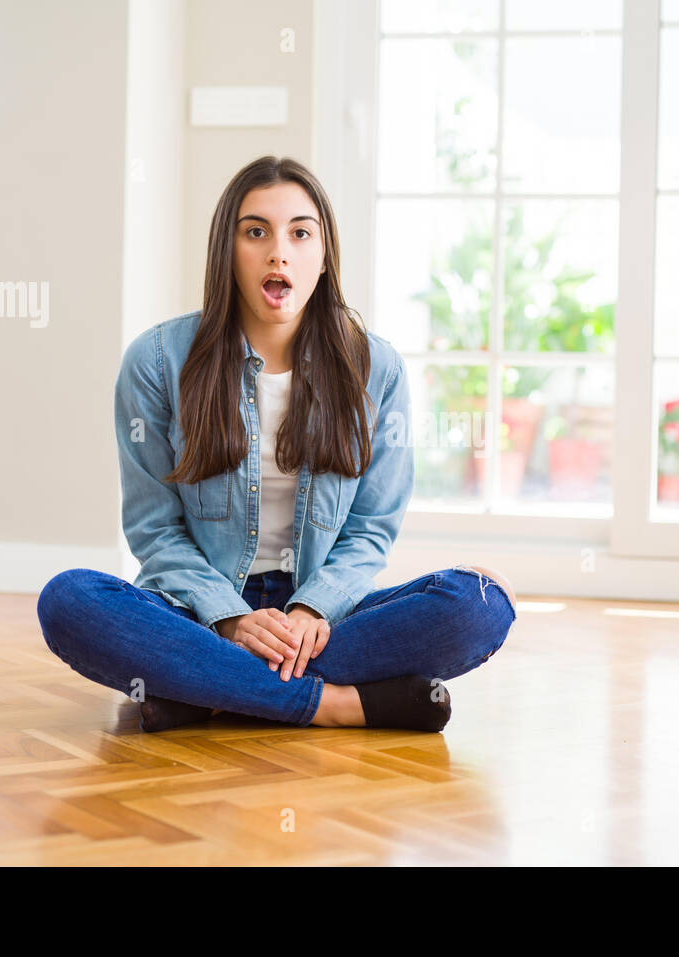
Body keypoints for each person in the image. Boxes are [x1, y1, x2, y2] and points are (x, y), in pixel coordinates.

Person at [37, 155, 517, 733]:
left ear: (323, 254)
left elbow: (370, 529)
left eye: (300, 232)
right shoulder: (157, 360)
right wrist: (231, 619)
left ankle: (202, 691)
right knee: (69, 599)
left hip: (327, 614)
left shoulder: (377, 367)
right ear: (228, 250)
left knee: (480, 601)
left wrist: (312, 606)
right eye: (255, 231)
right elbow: (155, 532)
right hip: (198, 613)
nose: (278, 252)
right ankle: (336, 705)